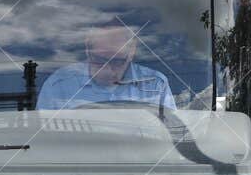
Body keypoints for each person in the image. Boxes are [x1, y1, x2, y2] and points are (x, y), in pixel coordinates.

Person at [37, 24, 175, 111]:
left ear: (132, 52)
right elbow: (44, 142)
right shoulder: (59, 86)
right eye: (99, 60)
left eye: (117, 61)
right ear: (87, 50)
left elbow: (172, 139)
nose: (107, 70)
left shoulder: (156, 85)